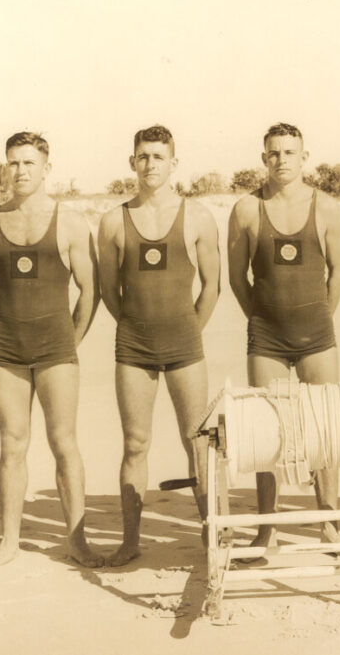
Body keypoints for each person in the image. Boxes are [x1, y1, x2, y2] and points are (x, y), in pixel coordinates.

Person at [0, 132, 102, 569]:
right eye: (13, 162)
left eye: (29, 162)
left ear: (47, 168)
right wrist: (6, 329)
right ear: (5, 167)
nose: (21, 171)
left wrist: (70, 339)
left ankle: (78, 541)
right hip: (6, 350)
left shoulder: (70, 222)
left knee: (64, 443)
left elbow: (90, 290)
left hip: (57, 348)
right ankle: (9, 542)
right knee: (12, 445)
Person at [98, 125, 221, 566]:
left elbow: (212, 286)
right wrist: (136, 327)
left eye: (159, 156)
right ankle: (130, 541)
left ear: (174, 163)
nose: (151, 164)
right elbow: (108, 290)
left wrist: (189, 330)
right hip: (134, 348)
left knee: (198, 442)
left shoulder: (198, 217)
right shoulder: (114, 221)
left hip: (185, 345)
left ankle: (212, 536)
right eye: (143, 156)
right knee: (135, 443)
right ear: (133, 162)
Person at [227, 122, 340, 551]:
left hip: (318, 336)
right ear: (264, 158)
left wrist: (319, 318)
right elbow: (237, 278)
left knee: (325, 429)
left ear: (304, 157)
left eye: (290, 152)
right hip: (267, 339)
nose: (282, 160)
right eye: (274, 153)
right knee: (265, 433)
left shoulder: (326, 207)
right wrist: (262, 320)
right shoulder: (246, 209)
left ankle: (329, 524)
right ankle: (267, 528)